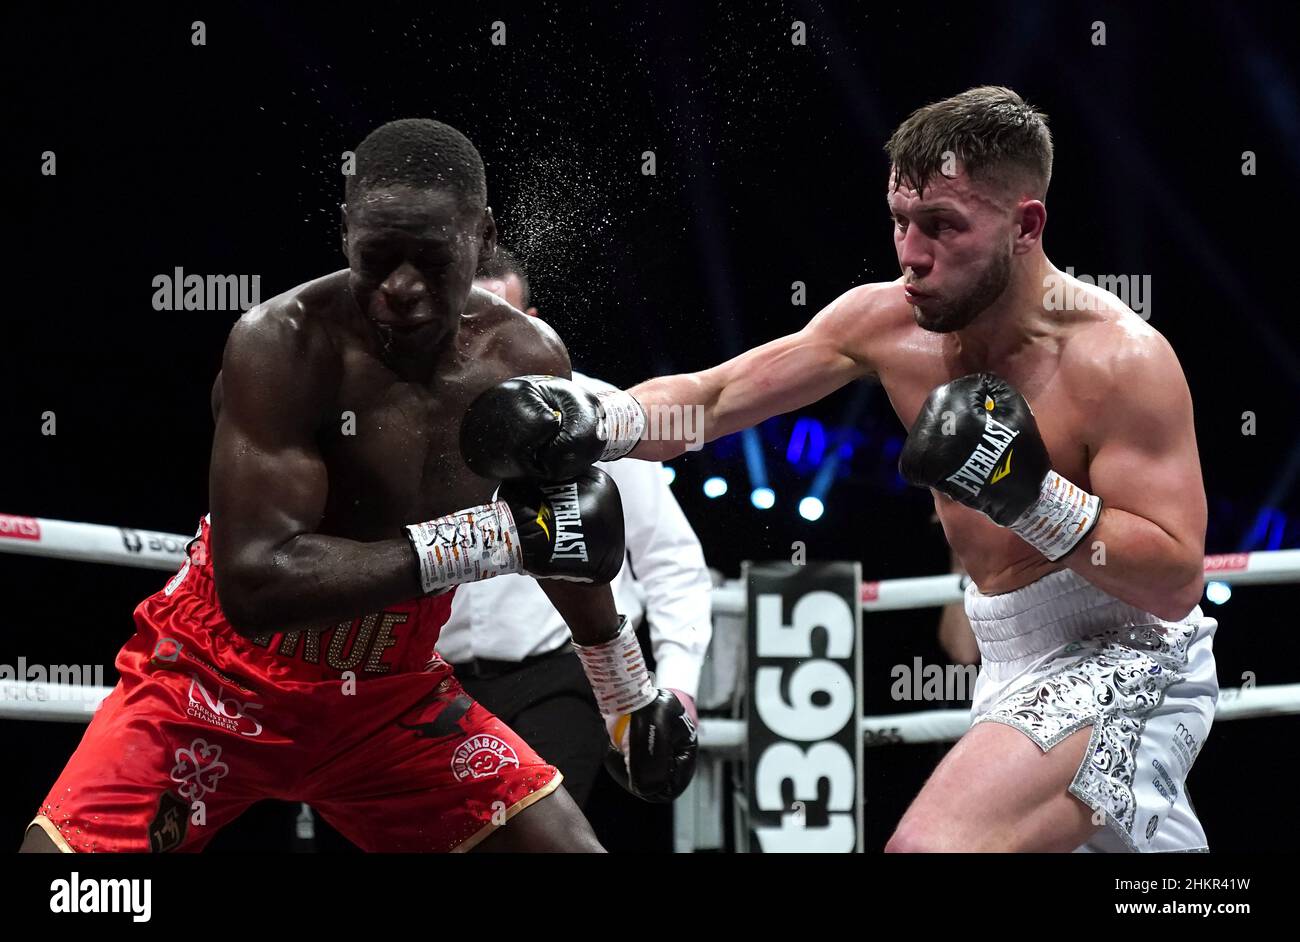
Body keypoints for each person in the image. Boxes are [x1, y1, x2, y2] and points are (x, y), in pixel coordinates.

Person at [463, 87, 1218, 852]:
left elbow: (1175, 579)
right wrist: (596, 419)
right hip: (1006, 657)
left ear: (1026, 225)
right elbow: (713, 398)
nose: (912, 253)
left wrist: (1032, 496)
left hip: (1128, 657)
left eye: (943, 227)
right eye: (900, 222)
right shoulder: (887, 323)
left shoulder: (1119, 360)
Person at [21, 118, 694, 854]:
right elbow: (256, 587)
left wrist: (625, 692)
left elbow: (560, 534)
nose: (400, 289)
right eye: (377, 257)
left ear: (481, 235)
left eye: (431, 260)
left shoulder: (524, 357)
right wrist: (490, 540)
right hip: (215, 681)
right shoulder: (281, 345)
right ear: (346, 233)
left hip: (387, 694)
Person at [438, 248, 712, 809]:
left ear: (532, 326)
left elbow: (670, 560)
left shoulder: (598, 413)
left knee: (531, 828)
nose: (482, 345)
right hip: (436, 681)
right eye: (468, 330)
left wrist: (678, 686)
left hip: (560, 675)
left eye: (500, 326)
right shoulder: (415, 423)